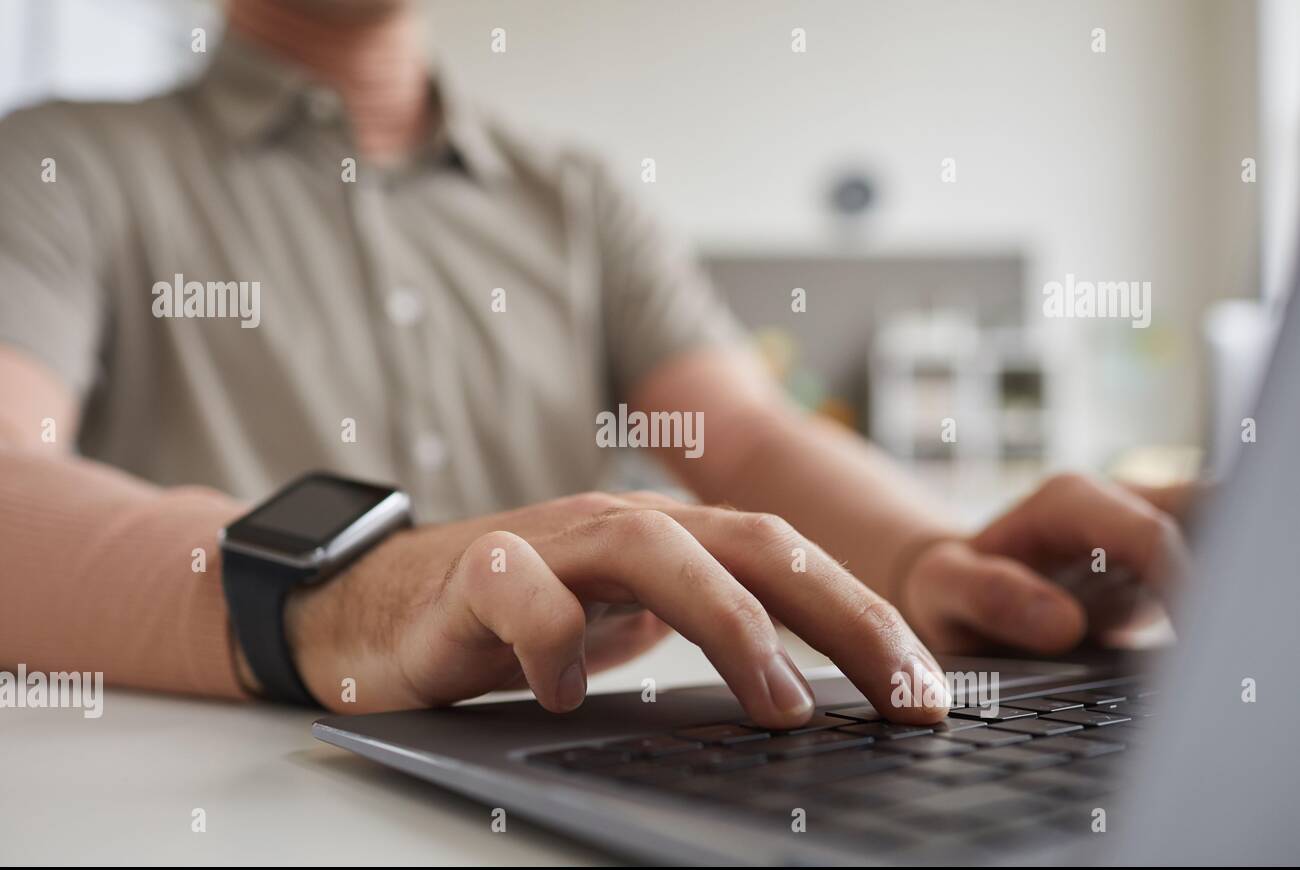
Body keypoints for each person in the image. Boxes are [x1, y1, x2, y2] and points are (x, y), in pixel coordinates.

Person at [0, 0, 1193, 729]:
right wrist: (347, 597)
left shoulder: (575, 198)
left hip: (569, 780)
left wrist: (933, 561)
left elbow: (747, 440)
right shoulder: (64, 165)